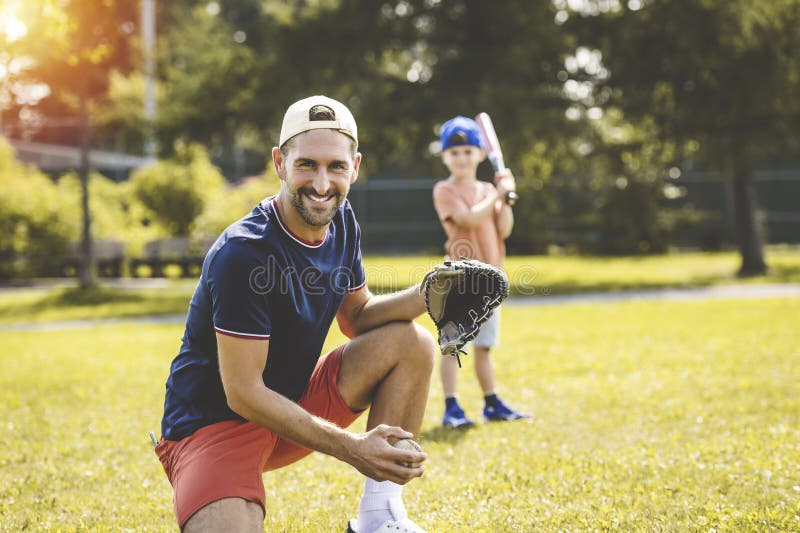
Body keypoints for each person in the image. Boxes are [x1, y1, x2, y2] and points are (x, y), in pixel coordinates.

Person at [155, 95, 436, 533]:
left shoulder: (342, 221)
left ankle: (379, 518)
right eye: (306, 164)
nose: (322, 184)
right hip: (216, 427)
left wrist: (428, 295)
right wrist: (353, 446)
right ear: (279, 163)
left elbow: (357, 317)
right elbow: (243, 393)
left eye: (336, 167)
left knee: (412, 342)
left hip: (292, 407)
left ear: (355, 166)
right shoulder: (243, 254)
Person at [431, 115, 532, 429]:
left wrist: (507, 200)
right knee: (453, 345)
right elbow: (469, 219)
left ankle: (491, 403)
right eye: (454, 153)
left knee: (484, 346)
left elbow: (504, 229)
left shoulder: (489, 188)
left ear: (479, 154)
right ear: (445, 157)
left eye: (468, 151)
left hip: (491, 280)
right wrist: (497, 196)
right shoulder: (444, 190)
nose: (461, 158)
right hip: (459, 279)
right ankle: (452, 408)